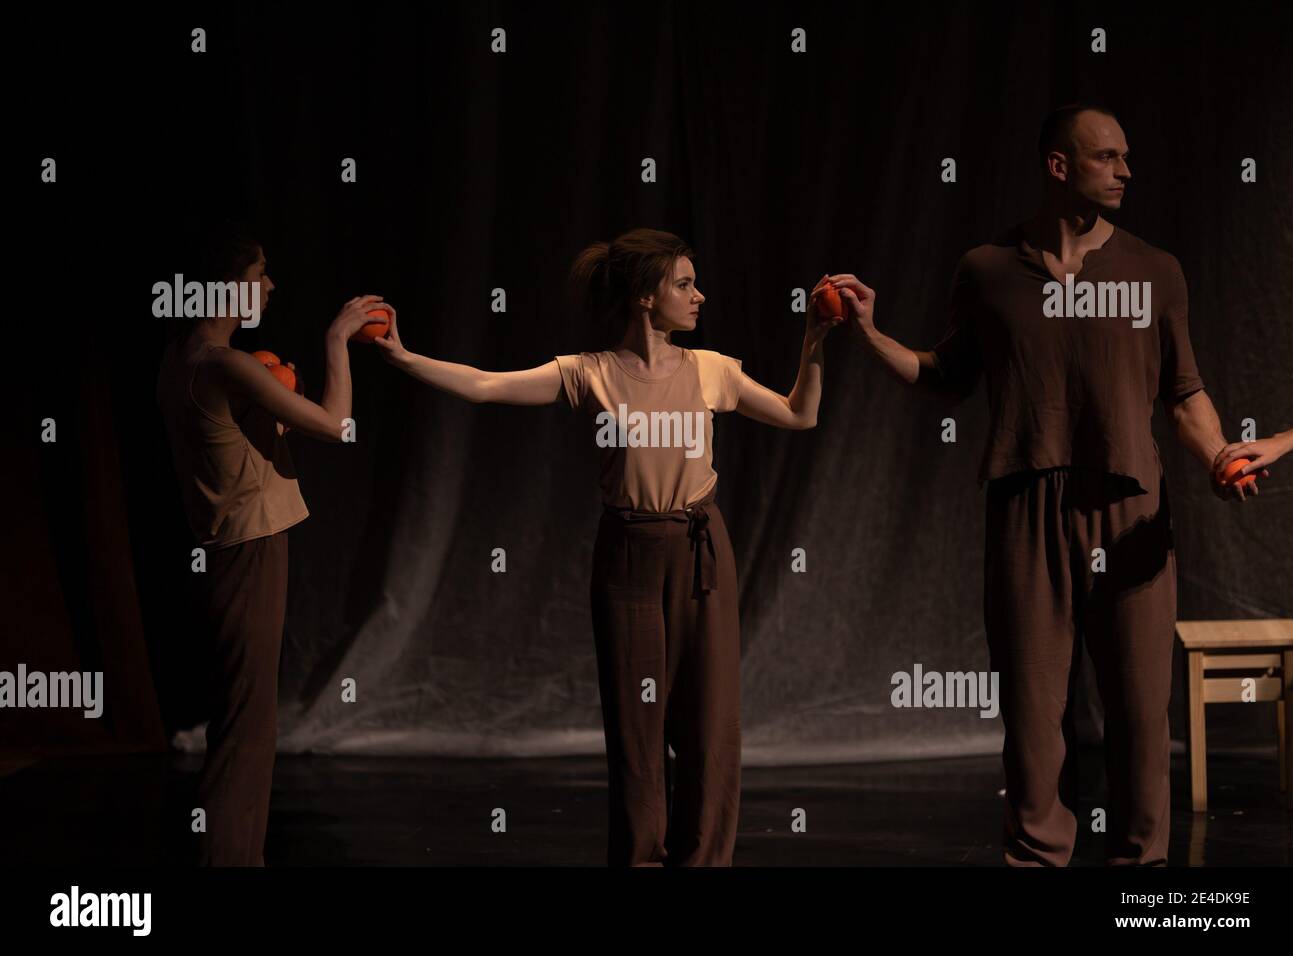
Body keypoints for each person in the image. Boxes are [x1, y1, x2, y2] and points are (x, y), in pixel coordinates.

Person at [830, 105, 1263, 866]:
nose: (1126, 171)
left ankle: (1143, 876)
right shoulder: (989, 269)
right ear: (1059, 167)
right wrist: (868, 332)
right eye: (1108, 157)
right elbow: (944, 375)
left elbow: (1184, 392)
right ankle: (1036, 856)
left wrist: (1221, 456)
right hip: (1026, 507)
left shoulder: (1156, 270)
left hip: (1130, 510)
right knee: (1032, 719)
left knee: (1137, 717)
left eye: (1127, 157)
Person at [372, 227, 839, 865]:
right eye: (683, 283)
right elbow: (485, 384)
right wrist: (403, 358)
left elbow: (799, 415)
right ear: (646, 297)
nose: (699, 295)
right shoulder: (590, 374)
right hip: (629, 558)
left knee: (708, 727)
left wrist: (814, 340)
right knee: (636, 731)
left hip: (701, 553)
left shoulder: (712, 370)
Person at [156, 225, 391, 865]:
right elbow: (337, 426)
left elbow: (228, 443)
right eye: (260, 274)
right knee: (247, 724)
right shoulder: (224, 365)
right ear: (230, 285)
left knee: (245, 716)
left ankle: (239, 856)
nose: (270, 285)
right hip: (249, 546)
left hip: (227, 547)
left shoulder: (183, 360)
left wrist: (269, 405)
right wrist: (337, 340)